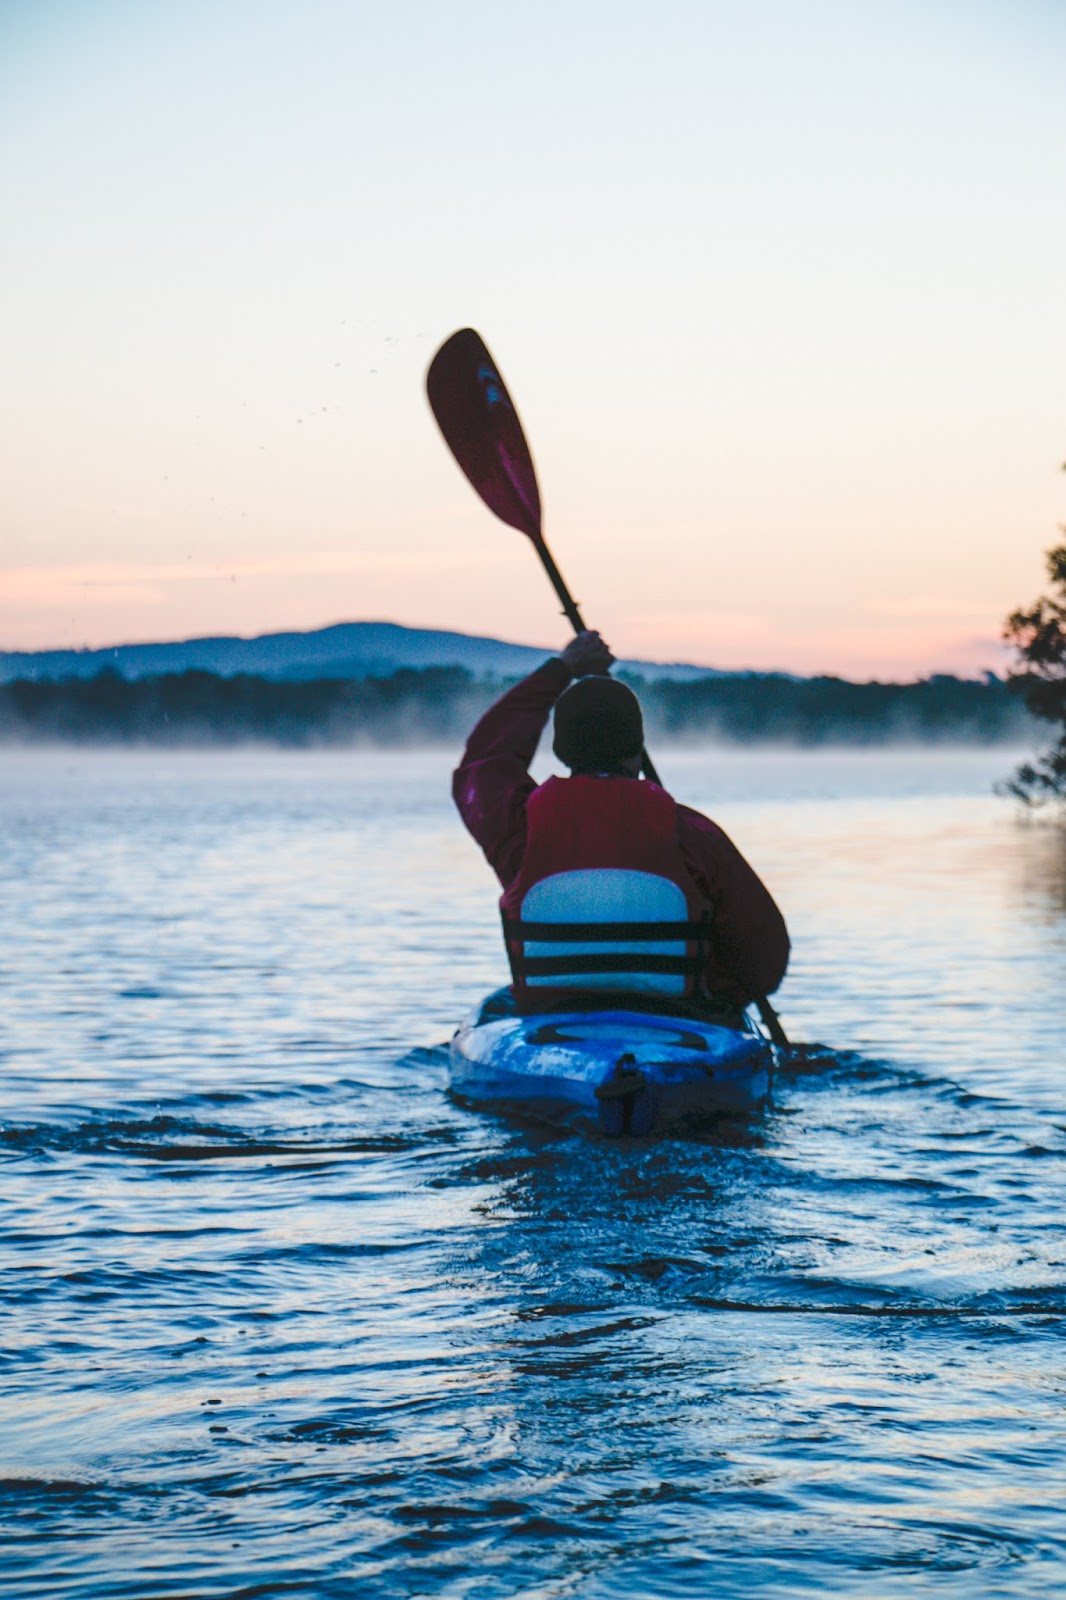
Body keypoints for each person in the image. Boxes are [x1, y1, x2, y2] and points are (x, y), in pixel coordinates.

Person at [453, 630, 789, 1023]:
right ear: (637, 750)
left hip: (553, 1030)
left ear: (561, 751)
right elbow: (763, 960)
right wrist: (714, 994)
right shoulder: (694, 836)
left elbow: (485, 760)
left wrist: (561, 669)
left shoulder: (520, 830)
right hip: (681, 1025)